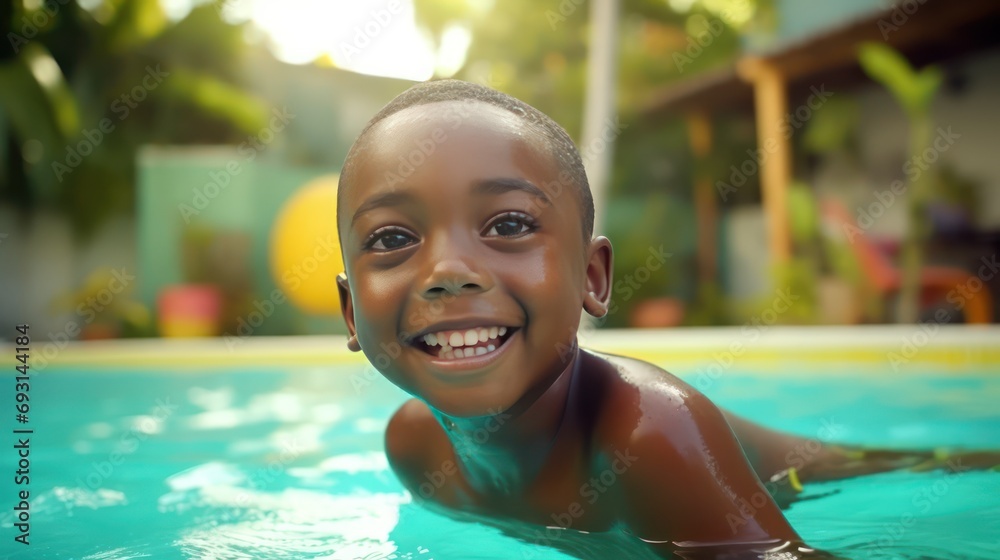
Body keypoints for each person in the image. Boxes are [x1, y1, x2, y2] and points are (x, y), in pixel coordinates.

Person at [333, 79, 990, 559]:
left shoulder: (648, 433)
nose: (449, 270)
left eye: (508, 225)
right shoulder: (413, 450)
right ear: (350, 313)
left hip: (816, 476)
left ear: (593, 278)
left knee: (927, 463)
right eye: (392, 239)